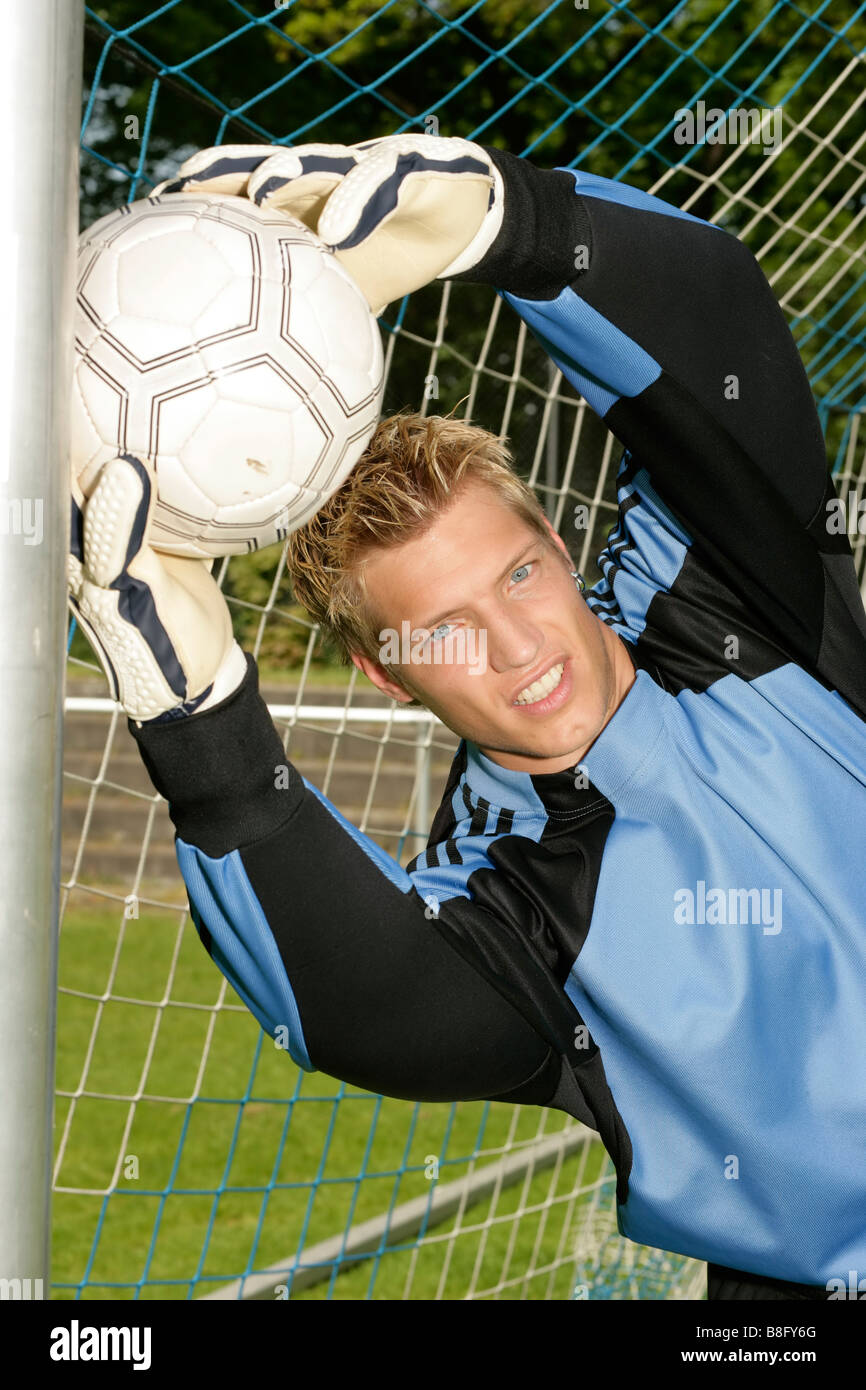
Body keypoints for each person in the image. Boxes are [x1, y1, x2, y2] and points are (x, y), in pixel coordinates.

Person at [68, 135, 866, 1302]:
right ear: (388, 674)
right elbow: (361, 1000)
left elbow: (718, 326)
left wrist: (508, 224)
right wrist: (204, 723)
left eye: (517, 577)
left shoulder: (734, 626)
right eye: (441, 628)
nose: (516, 645)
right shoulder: (508, 898)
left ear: (557, 545)